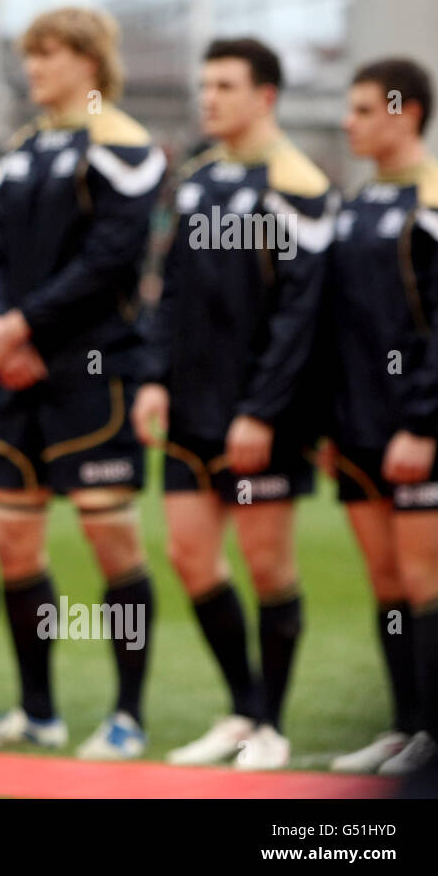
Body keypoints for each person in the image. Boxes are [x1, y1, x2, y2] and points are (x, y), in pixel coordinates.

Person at [132, 37, 337, 769]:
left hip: (263, 415)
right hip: (191, 407)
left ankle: (274, 726)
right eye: (205, 84)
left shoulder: (299, 185)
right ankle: (243, 710)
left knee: (267, 565)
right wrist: (154, 376)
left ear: (266, 97)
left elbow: (301, 316)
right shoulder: (198, 180)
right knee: (191, 555)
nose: (208, 98)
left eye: (225, 86)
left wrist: (262, 409)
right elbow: (173, 289)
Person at [0, 7, 166, 758]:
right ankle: (39, 709)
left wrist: (22, 326)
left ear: (89, 60)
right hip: (14, 374)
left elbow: (111, 261)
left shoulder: (124, 147)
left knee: (111, 540)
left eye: (48, 55)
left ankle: (128, 714)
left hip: (92, 372)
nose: (34, 69)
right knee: (15, 546)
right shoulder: (22, 149)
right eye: (30, 56)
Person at [325, 58, 438, 775]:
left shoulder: (436, 202)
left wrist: (424, 423)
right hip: (359, 428)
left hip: (422, 430)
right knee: (386, 581)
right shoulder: (359, 205)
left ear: (405, 114)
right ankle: (403, 728)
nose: (349, 122)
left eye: (365, 109)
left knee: (429, 580)